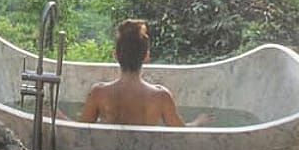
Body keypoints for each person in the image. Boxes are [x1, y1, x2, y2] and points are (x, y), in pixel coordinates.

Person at [78, 19, 212, 127]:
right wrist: (198, 122)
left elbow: (77, 131)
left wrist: (58, 115)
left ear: (115, 55)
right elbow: (182, 133)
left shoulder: (99, 94)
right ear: (146, 56)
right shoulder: (161, 96)